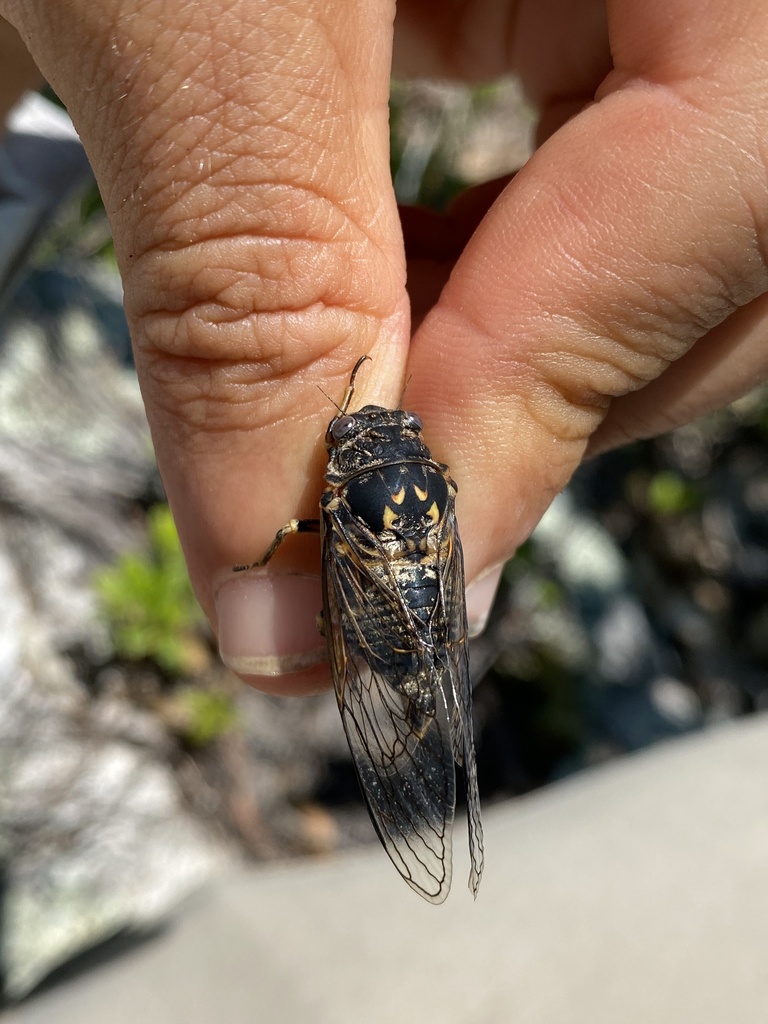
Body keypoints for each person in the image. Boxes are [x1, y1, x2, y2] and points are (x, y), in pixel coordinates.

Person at [4, 0, 767, 695]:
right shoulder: (407, 483)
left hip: (382, 595)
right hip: (406, 583)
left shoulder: (341, 499)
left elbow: (297, 536)